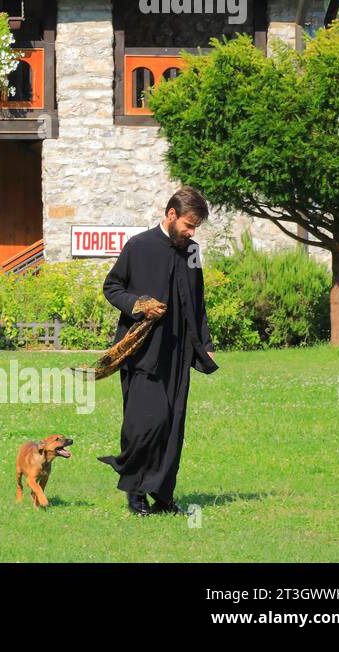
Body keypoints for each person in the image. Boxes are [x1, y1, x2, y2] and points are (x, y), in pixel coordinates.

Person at [98, 187, 219, 516]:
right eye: (189, 225)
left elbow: (197, 302)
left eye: (196, 227)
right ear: (171, 215)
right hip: (142, 353)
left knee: (171, 426)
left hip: (178, 354)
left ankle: (162, 495)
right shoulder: (138, 246)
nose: (192, 232)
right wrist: (137, 304)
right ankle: (135, 492)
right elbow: (112, 287)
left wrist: (204, 345)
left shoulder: (191, 251)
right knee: (144, 424)